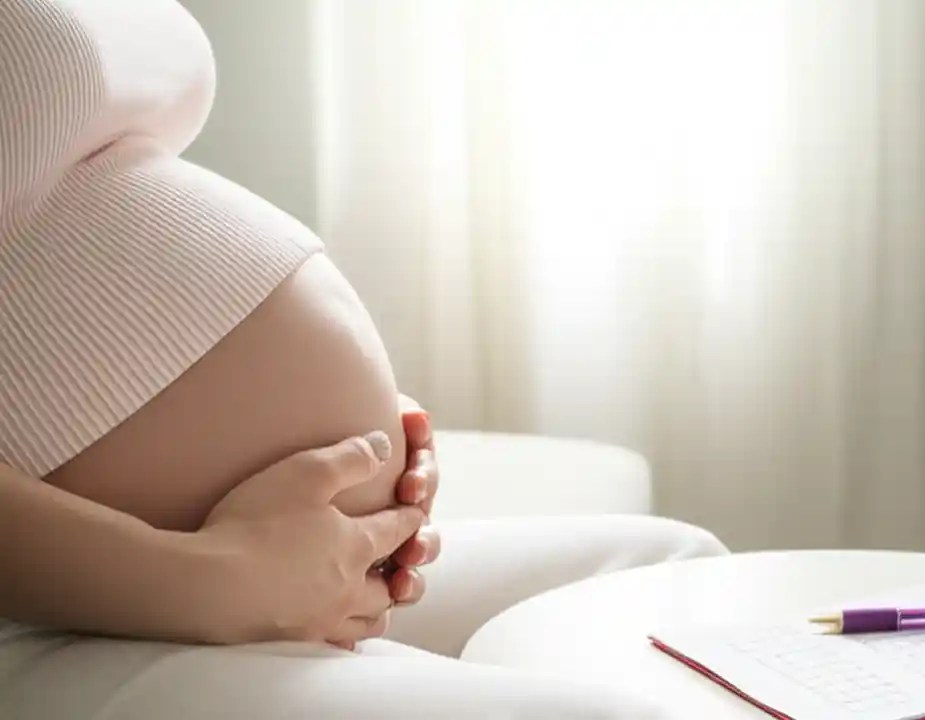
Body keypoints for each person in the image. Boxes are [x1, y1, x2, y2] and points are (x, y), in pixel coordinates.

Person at [0, 1, 728, 717]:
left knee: (682, 574)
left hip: (255, 563)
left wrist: (360, 439)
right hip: (84, 607)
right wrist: (216, 583)